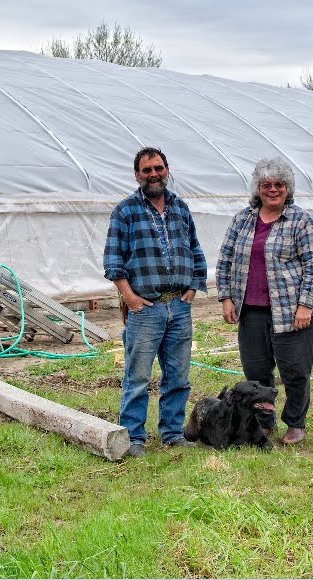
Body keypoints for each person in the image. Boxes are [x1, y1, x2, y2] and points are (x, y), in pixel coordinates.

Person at [104, 146, 207, 459]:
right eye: (147, 170)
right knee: (137, 377)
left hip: (178, 305)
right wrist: (130, 297)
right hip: (145, 309)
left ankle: (172, 433)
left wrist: (192, 289)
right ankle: (134, 437)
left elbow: (195, 249)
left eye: (158, 168)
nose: (154, 174)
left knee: (178, 376)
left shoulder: (181, 208)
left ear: (167, 170)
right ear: (137, 175)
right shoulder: (126, 211)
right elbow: (112, 259)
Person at [216, 157, 313, 445]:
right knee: (256, 372)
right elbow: (225, 259)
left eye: (279, 185)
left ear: (288, 188)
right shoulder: (243, 219)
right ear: (258, 188)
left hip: (291, 312)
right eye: (266, 185)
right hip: (251, 311)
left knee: (295, 371)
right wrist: (226, 297)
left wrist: (305, 305)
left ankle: (295, 423)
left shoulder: (302, 222)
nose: (273, 190)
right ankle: (264, 422)